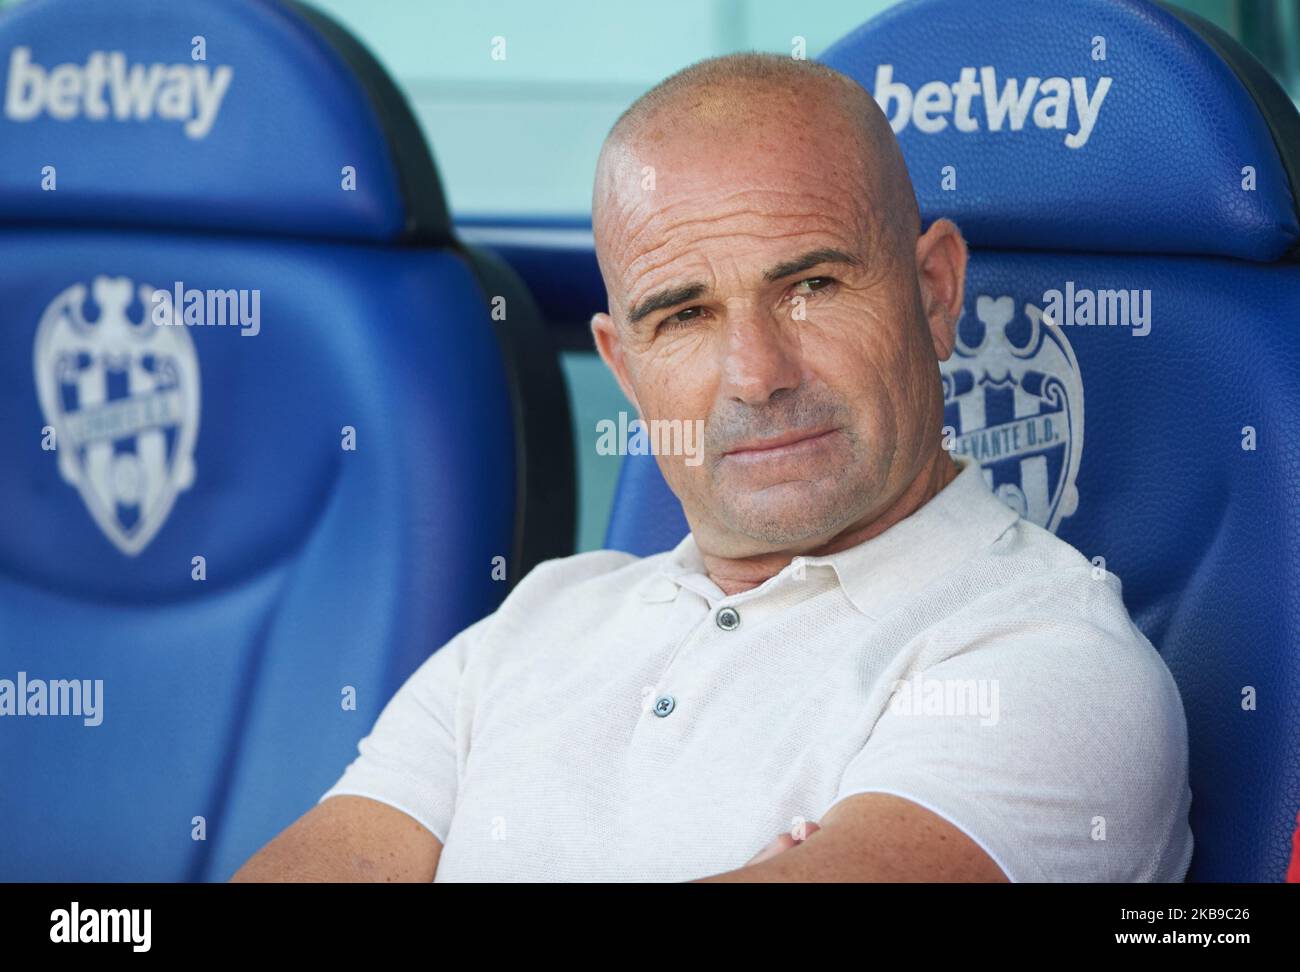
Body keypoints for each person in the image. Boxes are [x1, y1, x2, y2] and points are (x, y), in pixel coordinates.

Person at [232, 52, 1193, 883]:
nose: (758, 376)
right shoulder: (538, 623)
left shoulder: (1048, 661)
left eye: (812, 286)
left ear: (935, 293)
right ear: (623, 364)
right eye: (685, 316)